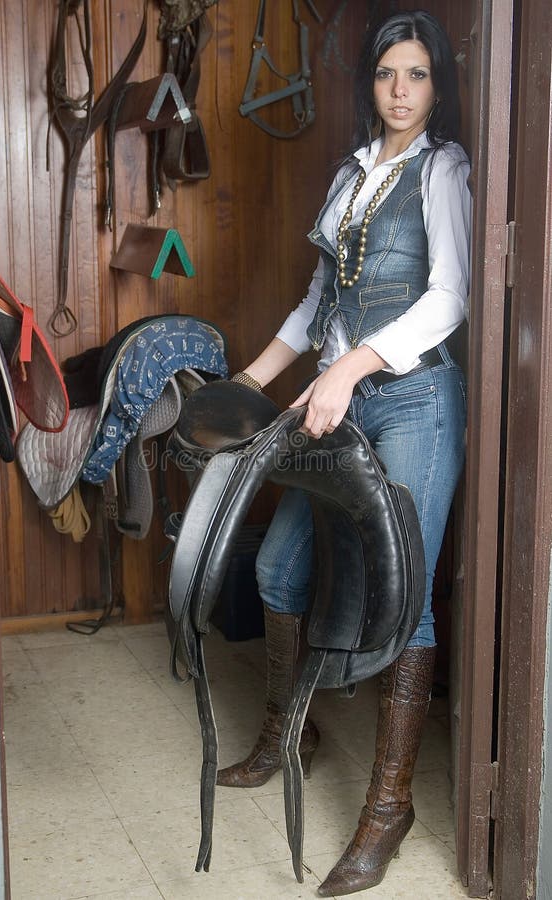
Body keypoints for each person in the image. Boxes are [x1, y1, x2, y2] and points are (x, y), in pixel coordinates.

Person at [216, 8, 471, 897]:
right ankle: (294, 728)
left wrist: (353, 367)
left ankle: (388, 804)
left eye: (417, 76)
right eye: (386, 75)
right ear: (368, 83)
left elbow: (450, 298)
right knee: (282, 570)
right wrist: (252, 380)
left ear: (437, 86)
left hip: (412, 402)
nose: (399, 92)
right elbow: (315, 304)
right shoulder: (349, 174)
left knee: (407, 599)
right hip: (336, 402)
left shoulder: (443, 171)